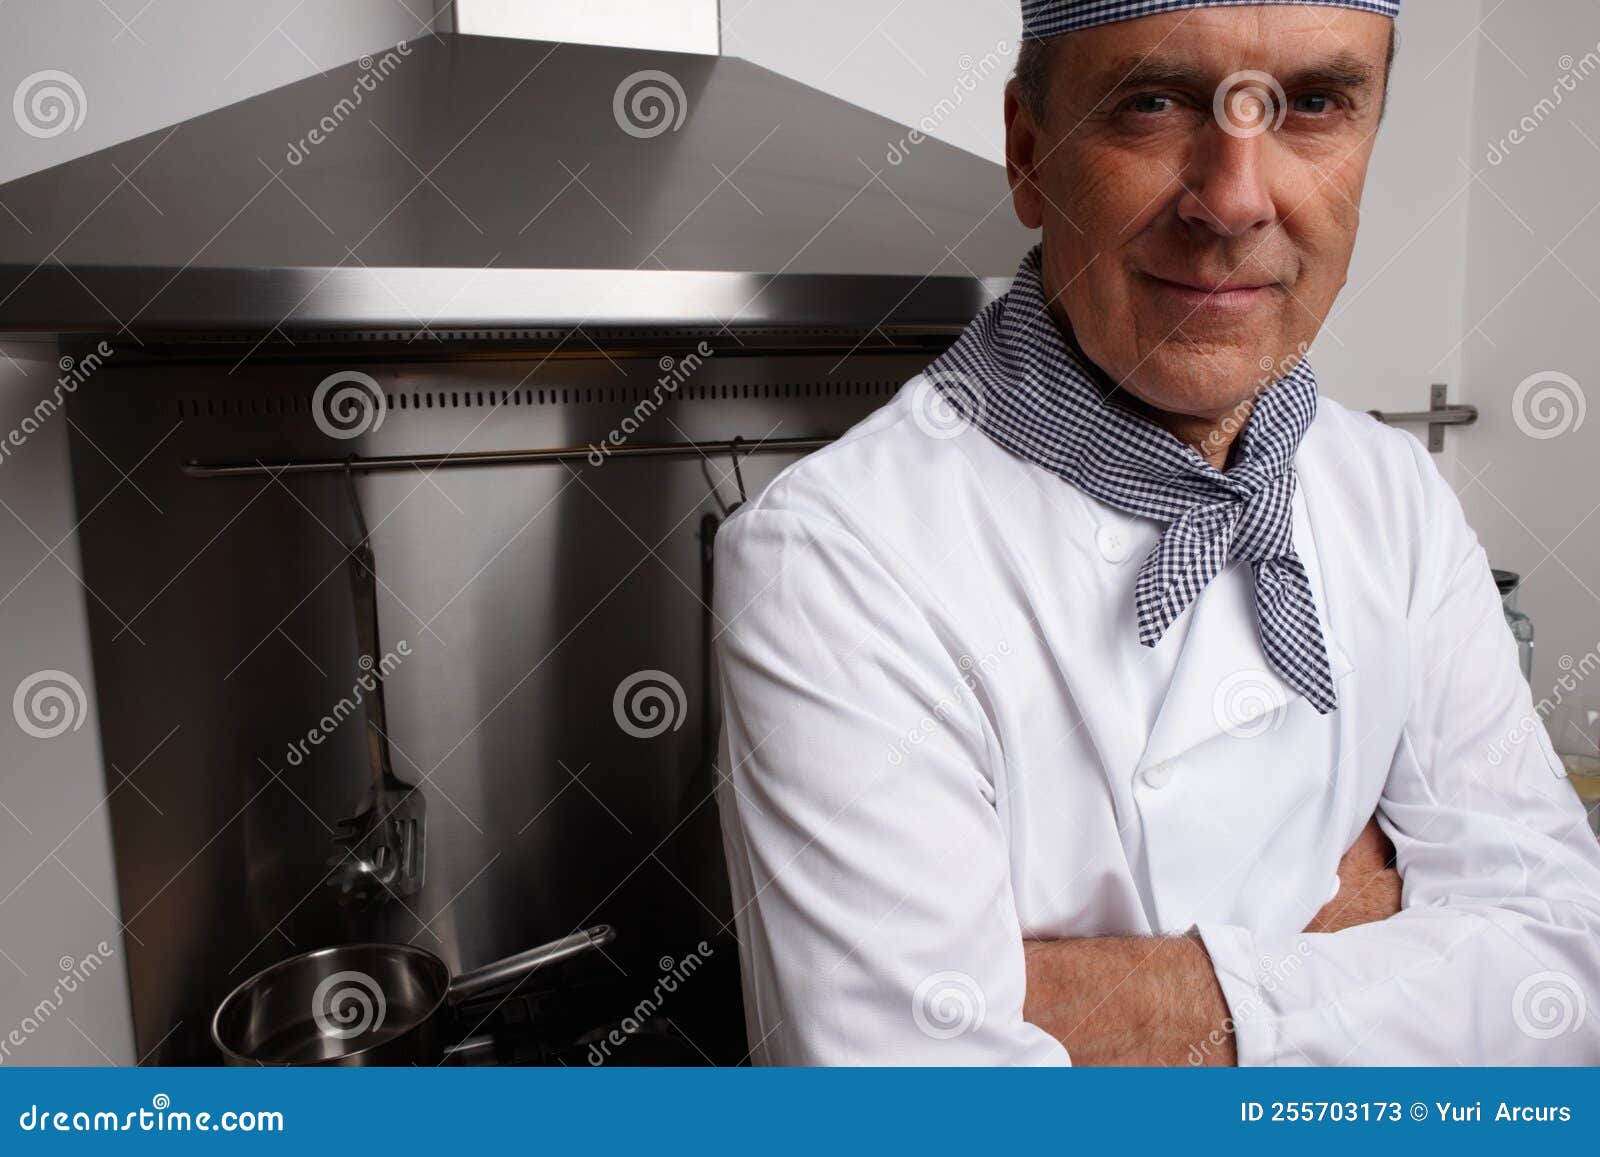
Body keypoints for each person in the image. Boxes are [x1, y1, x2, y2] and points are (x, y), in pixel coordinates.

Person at [712, 0, 1600, 1065]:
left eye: (1314, 104)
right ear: (1029, 154)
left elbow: (1563, 977)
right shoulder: (834, 559)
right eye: (1154, 102)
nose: (1233, 201)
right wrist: (1381, 947)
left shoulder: (1393, 494)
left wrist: (1154, 1002)